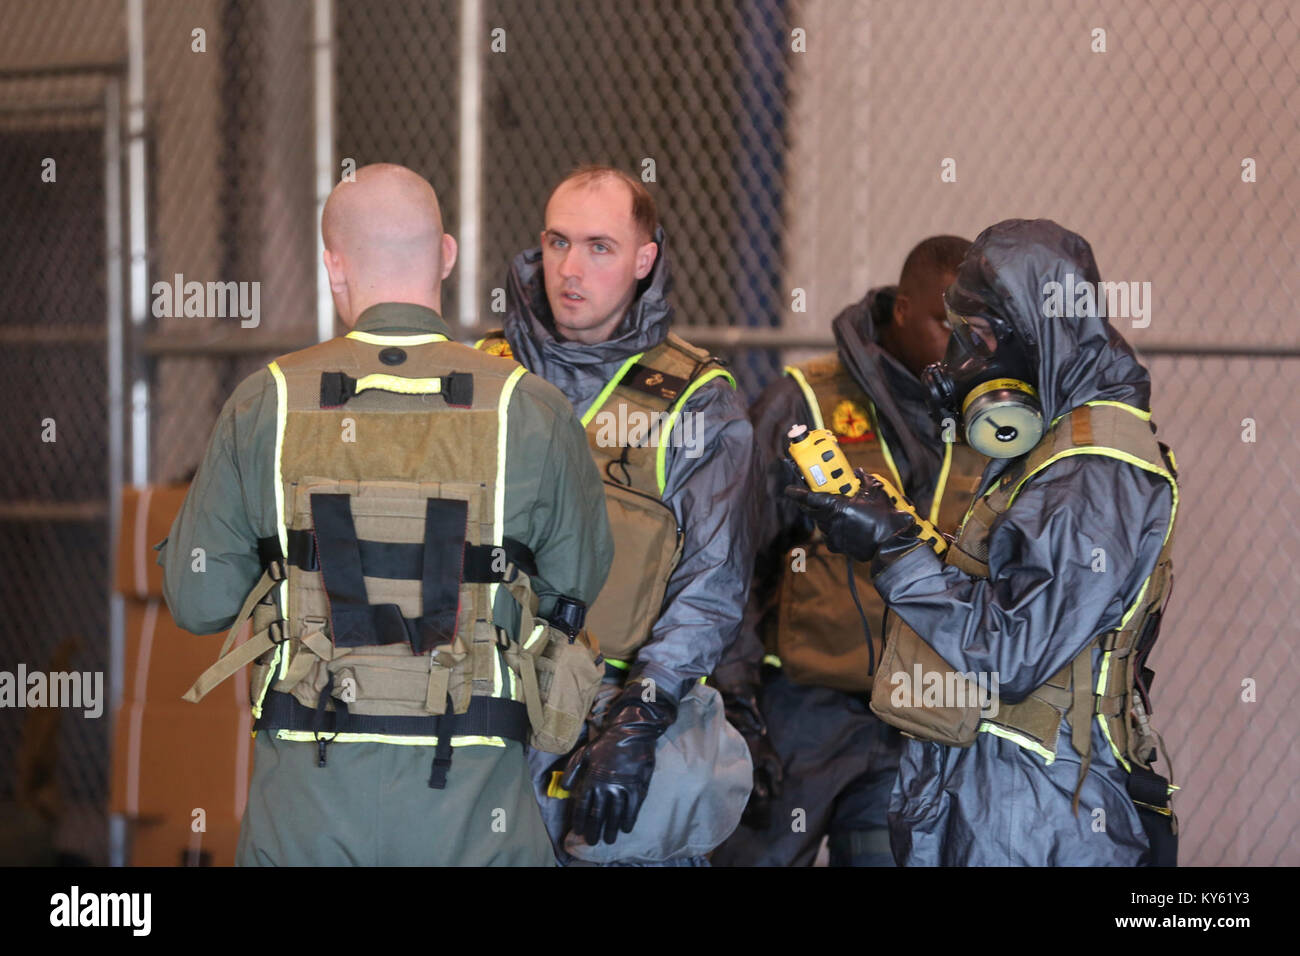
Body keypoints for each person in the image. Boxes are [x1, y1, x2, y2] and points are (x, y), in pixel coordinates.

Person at [159, 163, 613, 866]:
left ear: (333, 266)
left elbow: (198, 599)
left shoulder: (266, 403)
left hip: (305, 812)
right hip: (475, 815)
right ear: (448, 256)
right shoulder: (531, 409)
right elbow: (575, 589)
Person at [790, 219, 1180, 866]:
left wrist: (897, 554)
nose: (959, 365)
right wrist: (895, 527)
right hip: (997, 795)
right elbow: (1006, 592)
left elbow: (1018, 651)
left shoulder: (1094, 469)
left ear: (1037, 333)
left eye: (979, 338)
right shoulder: (1058, 446)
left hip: (1042, 815)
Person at [477, 165, 756, 865]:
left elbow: (712, 581)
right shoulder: (480, 375)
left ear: (644, 258)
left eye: (600, 247)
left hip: (614, 709)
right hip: (484, 706)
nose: (571, 268)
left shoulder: (697, 401)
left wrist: (642, 711)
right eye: (557, 242)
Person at [712, 236, 985, 867]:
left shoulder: (991, 420)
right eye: (947, 325)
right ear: (901, 310)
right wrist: (737, 703)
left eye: (976, 329)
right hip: (802, 711)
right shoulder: (805, 403)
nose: (963, 345)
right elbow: (731, 559)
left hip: (926, 717)